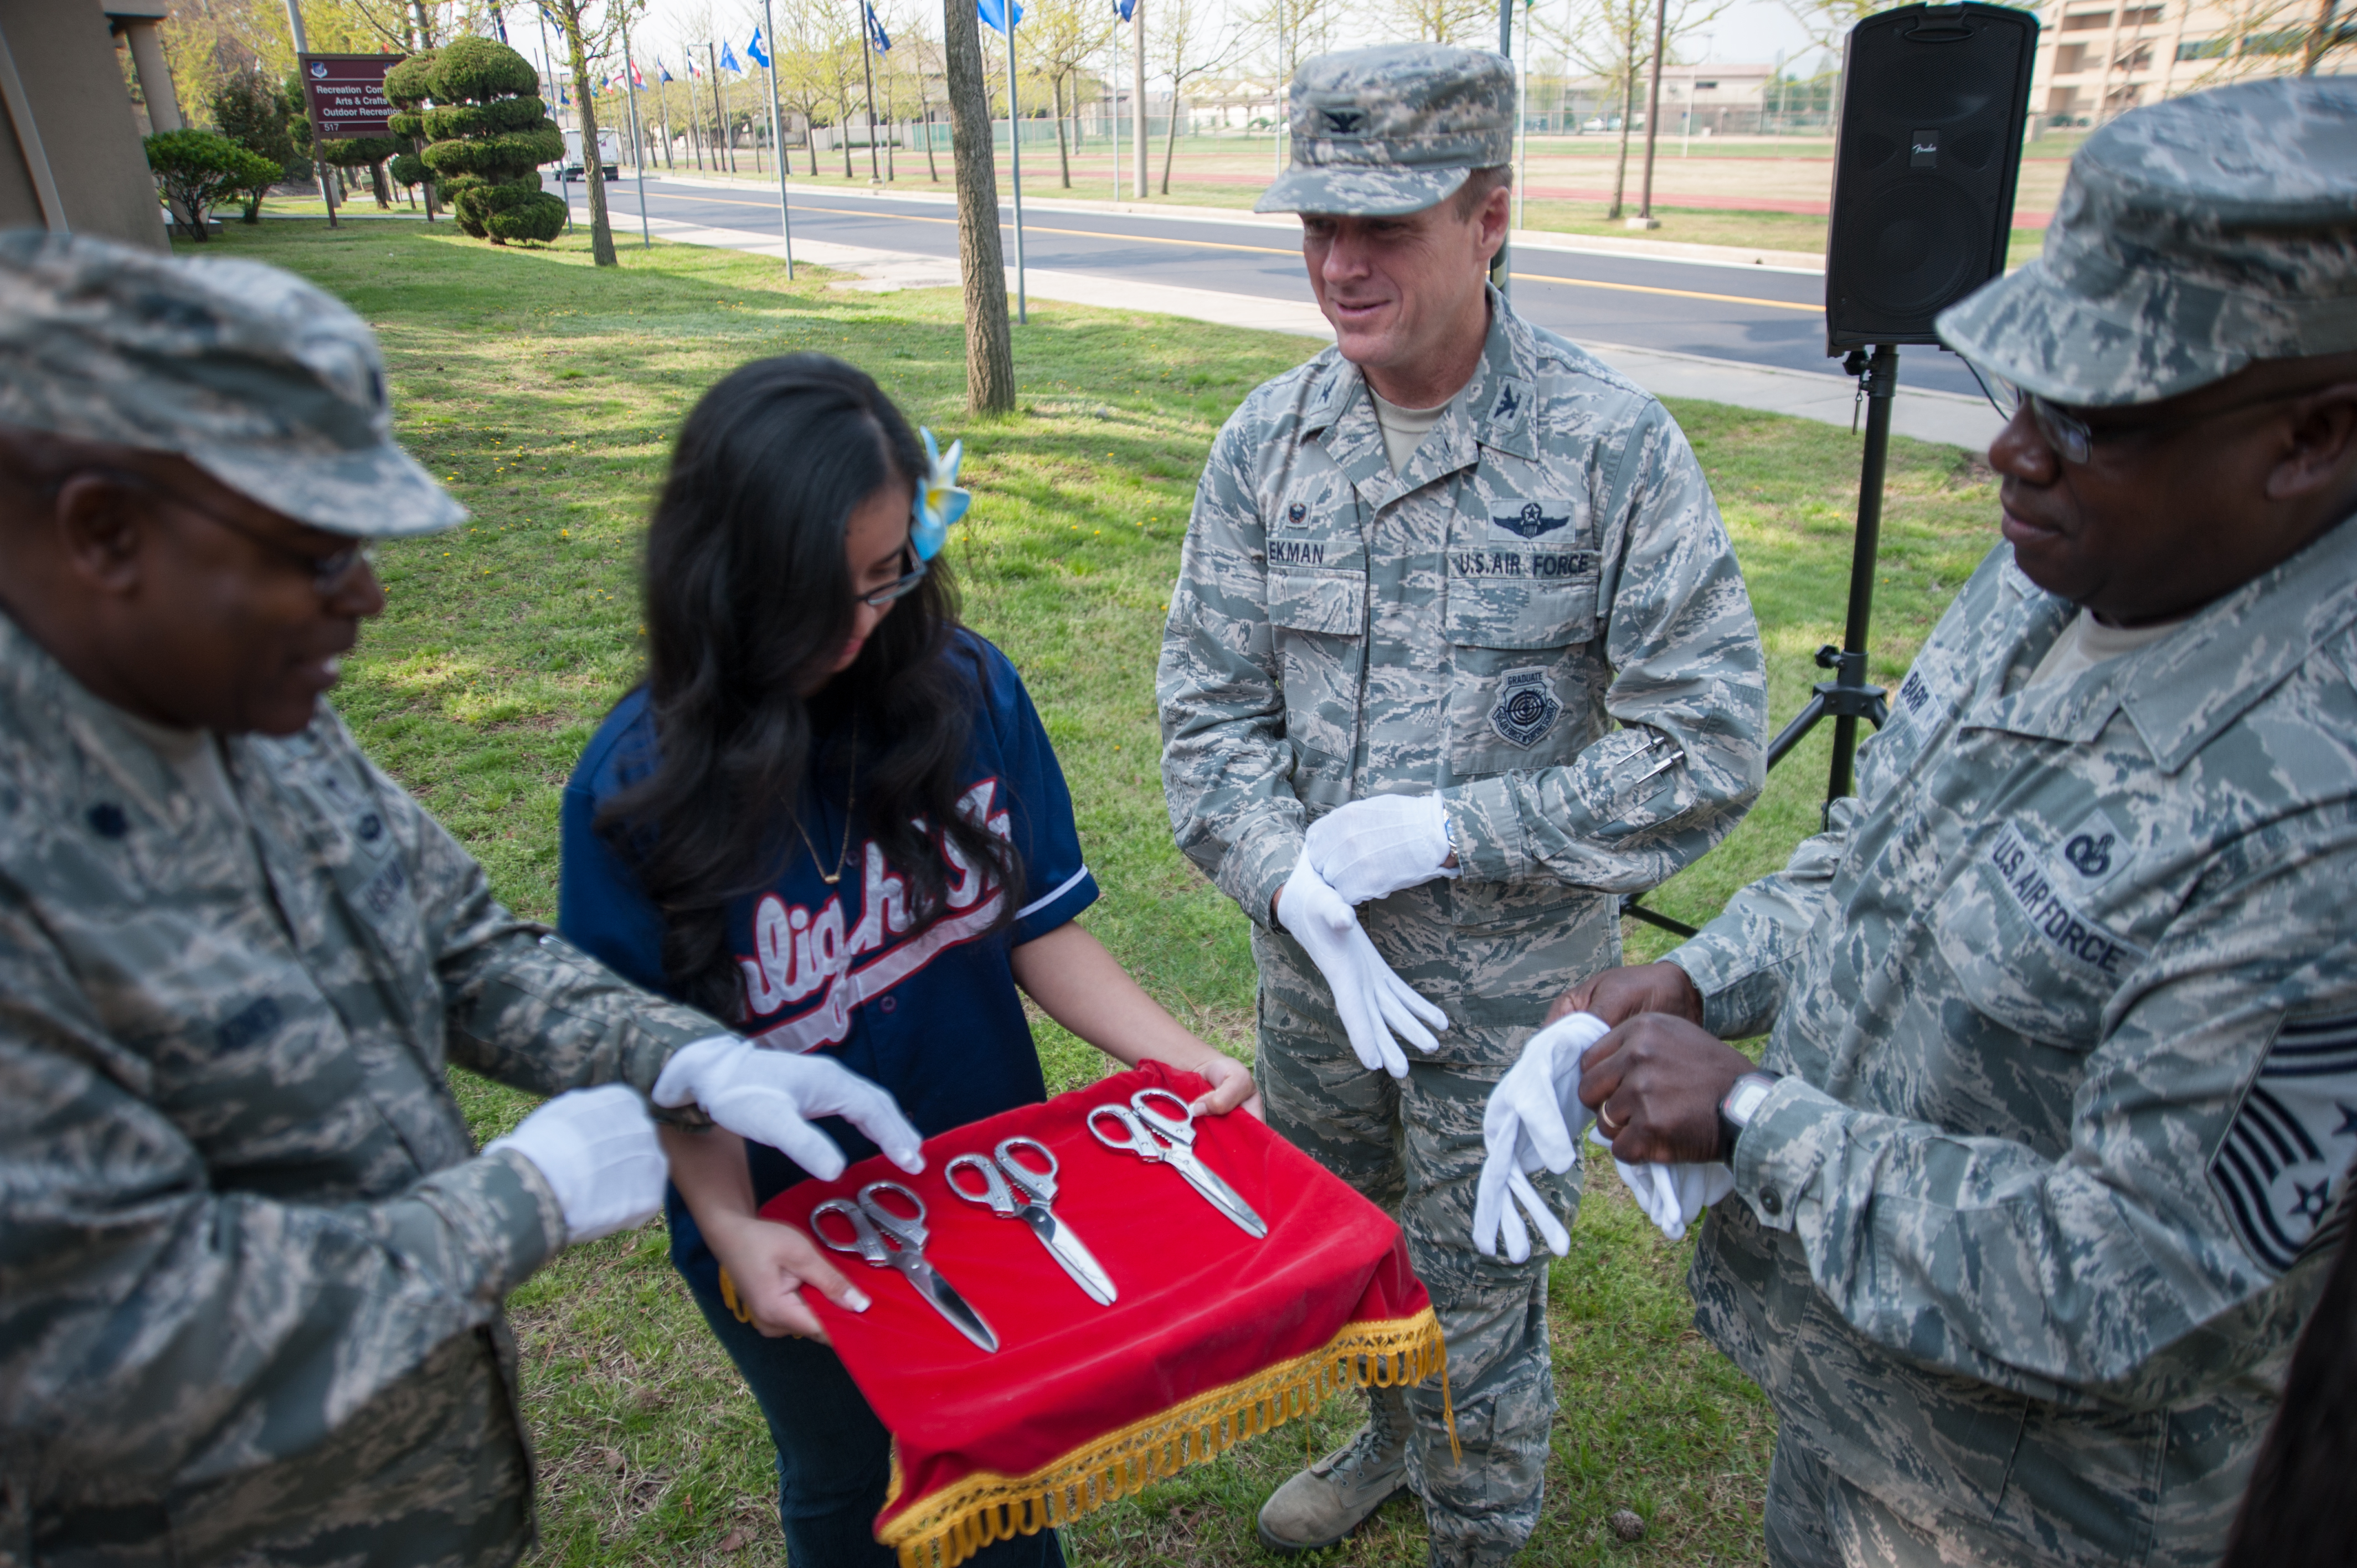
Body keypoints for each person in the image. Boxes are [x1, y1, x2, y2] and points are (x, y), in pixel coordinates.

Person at [1478, 77, 2357, 1567]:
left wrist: (1759, 1120)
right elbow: (1885, 851)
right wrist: (1710, 975)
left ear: (2314, 436)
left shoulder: (2313, 821)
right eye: (2020, 390)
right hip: (1868, 1420)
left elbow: (2134, 1285)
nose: (2011, 454)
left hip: (2051, 1519)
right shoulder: (2069, 562)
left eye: (2088, 417)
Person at [0, 235, 930, 1567]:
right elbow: (117, 1333)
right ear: (104, 533)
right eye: (320, 556)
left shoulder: (251, 709)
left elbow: (466, 951)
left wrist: (690, 1057)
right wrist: (525, 1199)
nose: (366, 600)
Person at [1156, 43, 1768, 1564]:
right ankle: (1383, 1445)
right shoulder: (1268, 447)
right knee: (1354, 1256)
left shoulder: (1609, 447)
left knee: (1478, 1280)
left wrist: (1457, 829)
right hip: (1320, 995)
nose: (1342, 265)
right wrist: (1285, 871)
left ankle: (1479, 1529)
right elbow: (1205, 717)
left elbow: (1708, 740)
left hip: (1513, 998)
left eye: (1386, 227)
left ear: (1490, 216)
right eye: (1318, 227)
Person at [556, 353, 1258, 1568]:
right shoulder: (636, 788)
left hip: (983, 1169)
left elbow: (1038, 923)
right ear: (724, 578)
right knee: (844, 1468)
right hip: (783, 1214)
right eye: (813, 598)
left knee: (997, 1433)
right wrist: (728, 1226)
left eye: (886, 580)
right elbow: (662, 1065)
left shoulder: (968, 691)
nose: (855, 631)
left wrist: (1182, 1055)